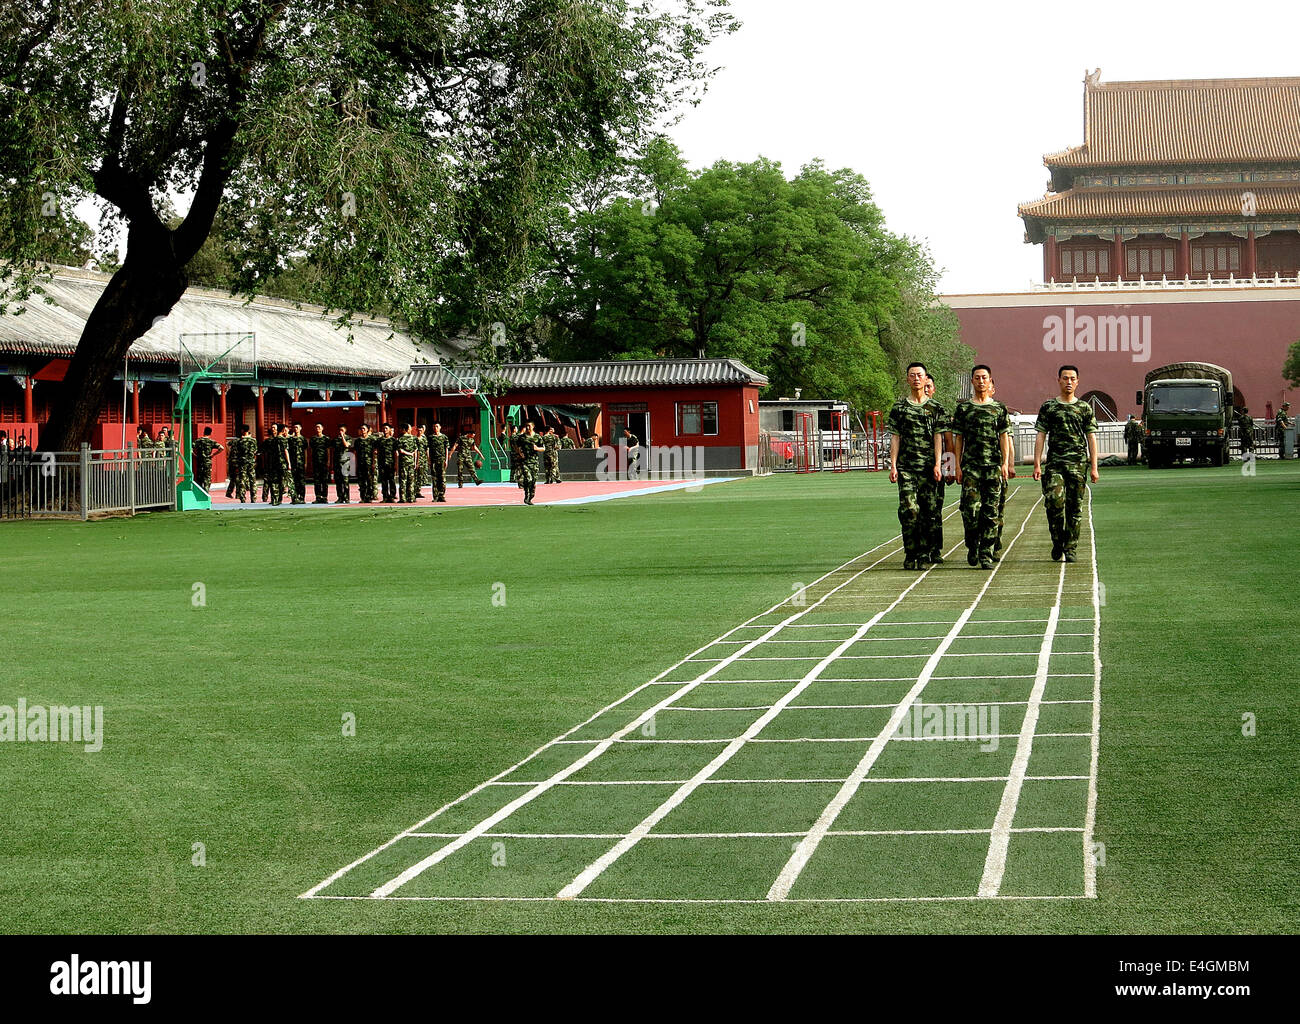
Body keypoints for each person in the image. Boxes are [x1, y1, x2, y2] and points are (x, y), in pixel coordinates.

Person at [1033, 365, 1099, 563]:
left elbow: (1091, 438)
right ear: (1058, 380)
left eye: (1072, 379)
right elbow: (1041, 435)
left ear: (1077, 382)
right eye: (1065, 378)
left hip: (1078, 464)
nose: (1069, 382)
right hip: (1055, 464)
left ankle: (1070, 547)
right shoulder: (1049, 407)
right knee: (1054, 503)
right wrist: (1037, 464)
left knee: (1074, 507)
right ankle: (1057, 540)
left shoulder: (1084, 408)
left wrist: (1094, 466)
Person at [951, 365, 1012, 570]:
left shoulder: (998, 408)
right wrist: (957, 465)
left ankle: (986, 553)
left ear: (990, 380)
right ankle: (972, 544)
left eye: (984, 377)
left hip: (993, 466)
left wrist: (1005, 463)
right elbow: (959, 438)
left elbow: (1004, 437)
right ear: (972, 381)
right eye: (977, 378)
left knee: (991, 512)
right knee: (970, 511)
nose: (981, 381)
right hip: (971, 467)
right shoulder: (964, 409)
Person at [886, 362, 945, 570]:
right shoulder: (899, 408)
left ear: (925, 377)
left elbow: (939, 437)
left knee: (929, 512)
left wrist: (938, 464)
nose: (916, 379)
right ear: (907, 379)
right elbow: (895, 437)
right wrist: (893, 465)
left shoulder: (936, 409)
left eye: (919, 375)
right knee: (910, 510)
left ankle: (926, 552)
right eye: (912, 375)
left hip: (929, 468)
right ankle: (911, 553)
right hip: (907, 468)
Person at [923, 376, 952, 564]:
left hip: (937, 469)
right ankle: (920, 548)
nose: (925, 389)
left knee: (934, 511)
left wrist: (949, 468)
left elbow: (948, 440)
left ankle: (935, 549)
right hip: (915, 466)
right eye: (923, 386)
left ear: (934, 389)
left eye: (929, 386)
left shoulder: (939, 411)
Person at [514, 421, 546, 505]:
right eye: (526, 426)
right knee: (528, 479)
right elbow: (516, 446)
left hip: (534, 462)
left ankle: (531, 496)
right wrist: (520, 453)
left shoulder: (537, 437)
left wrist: (537, 448)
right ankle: (526, 495)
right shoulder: (522, 437)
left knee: (533, 481)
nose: (528, 428)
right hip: (525, 462)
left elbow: (543, 448)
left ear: (533, 426)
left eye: (529, 426)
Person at [192, 426, 224, 492]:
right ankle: (206, 494)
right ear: (210, 433)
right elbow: (221, 448)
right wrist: (213, 455)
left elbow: (190, 448)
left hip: (199, 461)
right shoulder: (211, 442)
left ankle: (200, 494)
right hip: (207, 462)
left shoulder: (198, 441)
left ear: (204, 432)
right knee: (207, 479)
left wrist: (194, 455)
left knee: (199, 479)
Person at [353, 423, 377, 503]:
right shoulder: (357, 441)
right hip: (360, 463)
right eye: (361, 429)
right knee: (361, 481)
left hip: (369, 463)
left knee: (369, 481)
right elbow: (356, 453)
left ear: (367, 430)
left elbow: (374, 452)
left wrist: (373, 463)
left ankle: (369, 497)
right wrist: (356, 464)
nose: (362, 430)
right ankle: (363, 497)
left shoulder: (372, 440)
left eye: (364, 428)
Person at [427, 422, 451, 502]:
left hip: (442, 460)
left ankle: (442, 495)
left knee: (442, 478)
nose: (435, 428)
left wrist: (446, 460)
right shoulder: (430, 437)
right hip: (433, 460)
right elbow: (428, 449)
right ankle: (435, 496)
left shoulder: (444, 437)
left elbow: (446, 449)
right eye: (434, 426)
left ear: (440, 427)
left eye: (437, 426)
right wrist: (429, 460)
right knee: (434, 479)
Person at [396, 423, 419, 502]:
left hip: (403, 462)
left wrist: (408, 454)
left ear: (403, 429)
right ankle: (411, 498)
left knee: (403, 480)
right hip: (411, 462)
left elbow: (400, 451)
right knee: (411, 480)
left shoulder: (400, 439)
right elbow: (416, 451)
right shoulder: (414, 438)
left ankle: (403, 498)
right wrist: (415, 461)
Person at [309, 423, 331, 503]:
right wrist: (311, 461)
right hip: (315, 462)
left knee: (324, 481)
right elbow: (311, 450)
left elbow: (328, 450)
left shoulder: (326, 438)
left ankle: (324, 497)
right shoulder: (313, 439)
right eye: (316, 427)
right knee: (317, 481)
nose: (317, 428)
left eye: (319, 427)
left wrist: (328, 461)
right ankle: (318, 497)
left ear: (322, 428)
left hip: (324, 462)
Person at [236, 425, 258, 502]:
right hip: (251, 462)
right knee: (252, 480)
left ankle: (242, 498)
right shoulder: (254, 440)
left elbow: (237, 452)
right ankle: (253, 498)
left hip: (242, 462)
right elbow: (255, 451)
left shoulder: (239, 441)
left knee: (242, 480)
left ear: (242, 430)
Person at [332, 425, 352, 503]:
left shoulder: (348, 438)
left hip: (345, 463)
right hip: (337, 462)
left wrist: (343, 437)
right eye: (340, 430)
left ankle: (346, 497)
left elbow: (346, 445)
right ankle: (340, 497)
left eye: (342, 430)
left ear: (345, 431)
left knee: (345, 481)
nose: (341, 431)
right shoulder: (335, 439)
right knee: (338, 481)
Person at [288, 422, 307, 503]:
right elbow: (288, 451)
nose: (296, 429)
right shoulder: (290, 439)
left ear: (300, 428)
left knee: (301, 481)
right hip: (293, 462)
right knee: (293, 481)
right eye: (294, 427)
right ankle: (294, 498)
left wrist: (306, 462)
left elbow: (305, 451)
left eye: (297, 427)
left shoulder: (303, 439)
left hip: (301, 462)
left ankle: (302, 497)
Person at [415, 424, 430, 499]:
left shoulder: (424, 439)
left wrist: (428, 459)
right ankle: (413, 491)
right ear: (416, 430)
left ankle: (418, 491)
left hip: (423, 459)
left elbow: (427, 449)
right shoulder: (414, 439)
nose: (420, 431)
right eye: (419, 430)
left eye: (421, 430)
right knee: (414, 476)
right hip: (416, 459)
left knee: (420, 476)